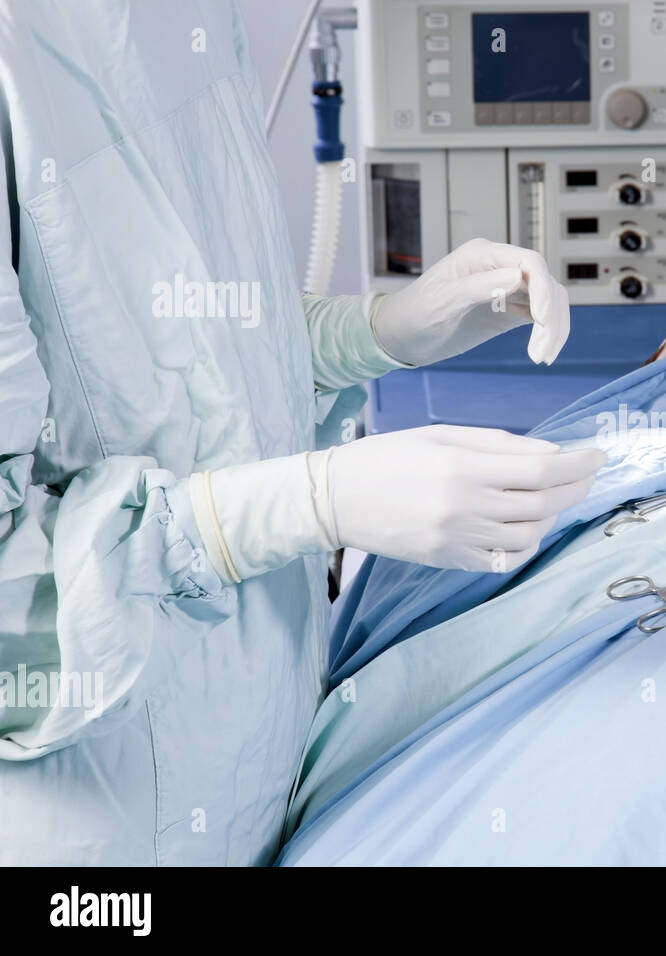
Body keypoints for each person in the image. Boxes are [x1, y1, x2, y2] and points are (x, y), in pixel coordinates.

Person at [0, 1, 602, 864]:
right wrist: (308, 504)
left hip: (261, 752)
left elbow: (184, 362)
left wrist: (382, 330)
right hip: (102, 824)